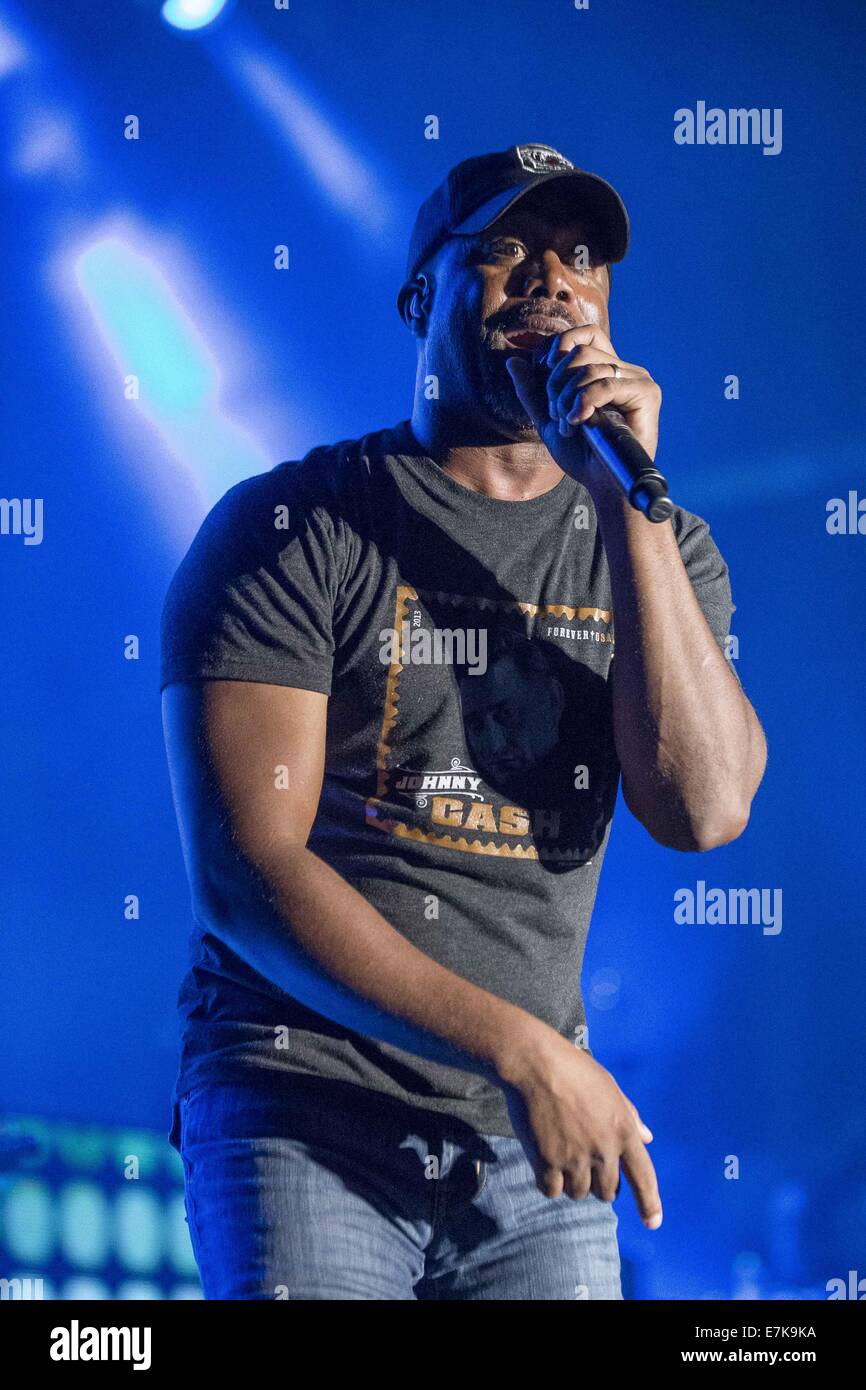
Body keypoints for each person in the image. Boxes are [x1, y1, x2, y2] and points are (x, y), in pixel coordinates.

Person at [161, 143, 767, 1300]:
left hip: (527, 1149)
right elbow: (246, 868)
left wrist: (627, 505)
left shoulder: (658, 542)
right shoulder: (296, 524)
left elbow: (704, 810)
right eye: (501, 252)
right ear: (418, 299)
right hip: (306, 1108)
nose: (550, 279)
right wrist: (522, 1047)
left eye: (580, 258)